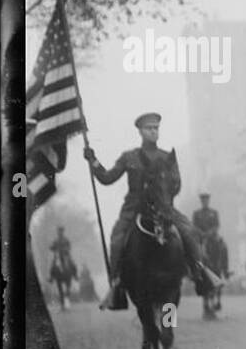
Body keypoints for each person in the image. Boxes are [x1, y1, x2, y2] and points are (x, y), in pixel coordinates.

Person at [84, 112, 221, 310]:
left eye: (156, 128)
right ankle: (117, 284)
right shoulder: (129, 157)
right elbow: (107, 178)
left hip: (164, 208)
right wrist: (93, 161)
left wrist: (169, 191)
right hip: (133, 209)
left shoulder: (167, 157)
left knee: (190, 231)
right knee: (116, 239)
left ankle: (200, 272)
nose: (153, 132)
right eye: (149, 128)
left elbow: (177, 185)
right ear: (140, 131)